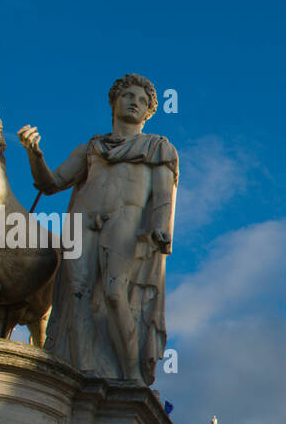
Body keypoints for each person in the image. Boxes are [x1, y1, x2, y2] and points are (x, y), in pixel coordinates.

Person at [20, 73, 179, 384]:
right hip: (83, 219)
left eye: (142, 100)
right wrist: (34, 153)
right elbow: (50, 183)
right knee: (76, 293)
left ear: (148, 112)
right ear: (114, 101)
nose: (135, 102)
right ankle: (82, 372)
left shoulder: (158, 148)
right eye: (128, 96)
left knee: (115, 292)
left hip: (126, 222)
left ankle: (131, 375)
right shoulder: (92, 148)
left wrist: (160, 228)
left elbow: (162, 197)